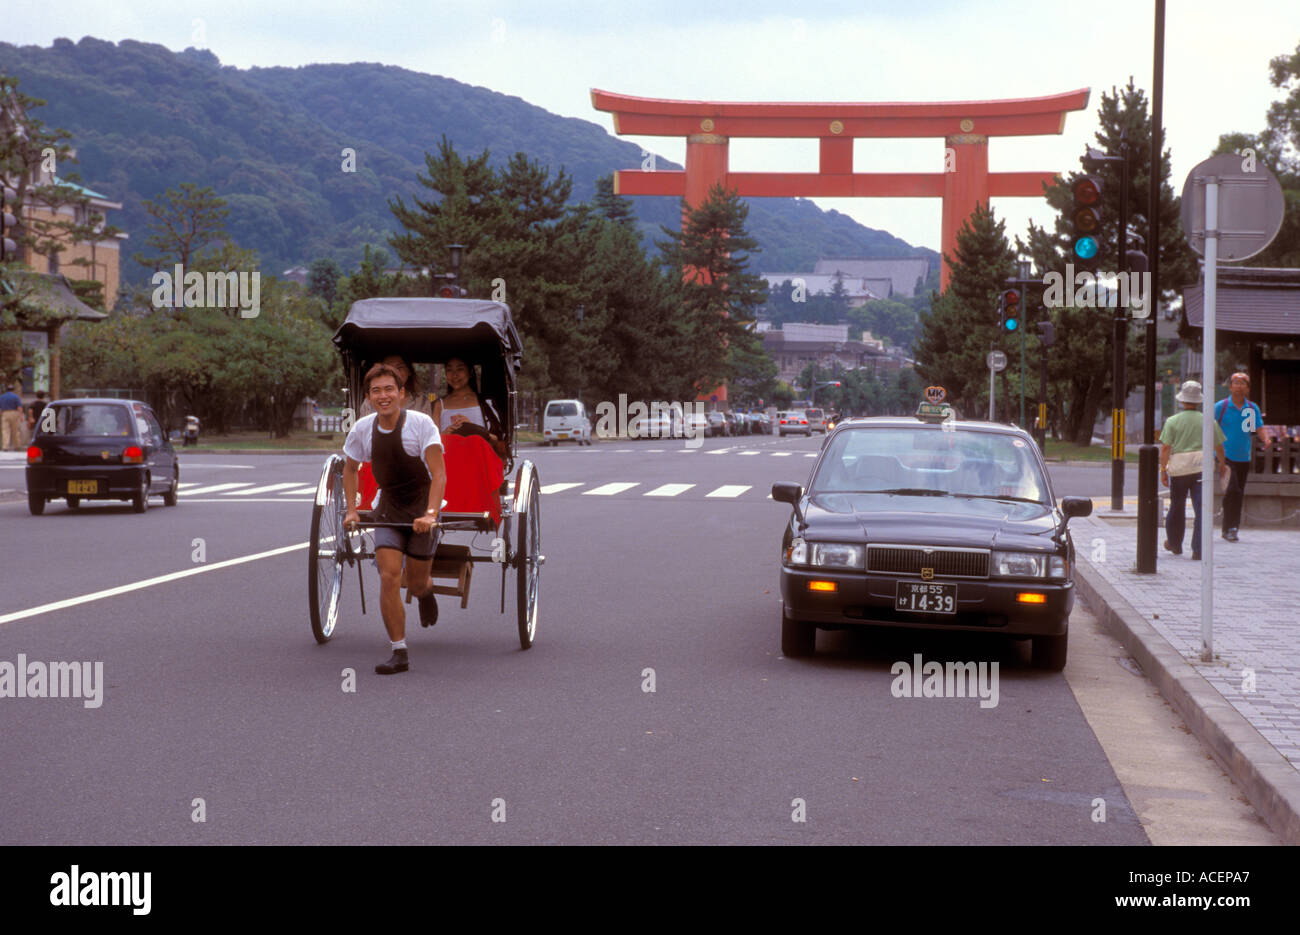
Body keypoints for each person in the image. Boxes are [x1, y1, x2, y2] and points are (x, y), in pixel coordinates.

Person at [342, 363, 446, 675]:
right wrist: (351, 510)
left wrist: (430, 514)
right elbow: (349, 469)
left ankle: (425, 591)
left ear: (401, 393)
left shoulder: (421, 423)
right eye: (376, 391)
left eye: (389, 389)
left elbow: (439, 474)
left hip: (421, 505)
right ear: (369, 397)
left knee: (414, 583)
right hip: (387, 508)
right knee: (389, 576)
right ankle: (399, 651)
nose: (383, 396)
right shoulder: (362, 428)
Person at [432, 357, 506, 524]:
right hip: (448, 459)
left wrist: (475, 429)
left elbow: (498, 441)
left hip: (479, 459)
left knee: (475, 442)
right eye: (449, 370)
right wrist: (447, 432)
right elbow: (433, 440)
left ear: (470, 372)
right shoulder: (439, 404)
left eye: (460, 369)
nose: (454, 375)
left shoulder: (485, 403)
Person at [1160, 380, 1228, 561]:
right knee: (1201, 508)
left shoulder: (1172, 421)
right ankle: (1198, 548)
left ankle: (1174, 542)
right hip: (1201, 468)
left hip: (1180, 470)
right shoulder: (1208, 421)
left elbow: (1166, 448)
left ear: (1182, 401)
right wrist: (1222, 463)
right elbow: (1219, 446)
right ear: (1199, 401)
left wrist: (1163, 469)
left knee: (1176, 505)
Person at [1213, 372, 1262, 542]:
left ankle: (1232, 528)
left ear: (1248, 388)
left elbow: (1256, 428)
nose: (1239, 386)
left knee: (1238, 492)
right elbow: (1210, 428)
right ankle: (1228, 527)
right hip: (1225, 456)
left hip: (1243, 457)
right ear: (1230, 386)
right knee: (1233, 489)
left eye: (1243, 383)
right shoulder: (1221, 406)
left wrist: (1267, 439)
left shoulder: (1251, 408)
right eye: (1236, 383)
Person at [1, 383, 22, 451]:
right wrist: (21, 416)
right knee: (15, 430)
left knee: (5, 430)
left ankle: (5, 446)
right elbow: (19, 407)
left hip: (5, 413)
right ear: (13, 390)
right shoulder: (16, 397)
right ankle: (17, 446)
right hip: (14, 413)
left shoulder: (2, 397)